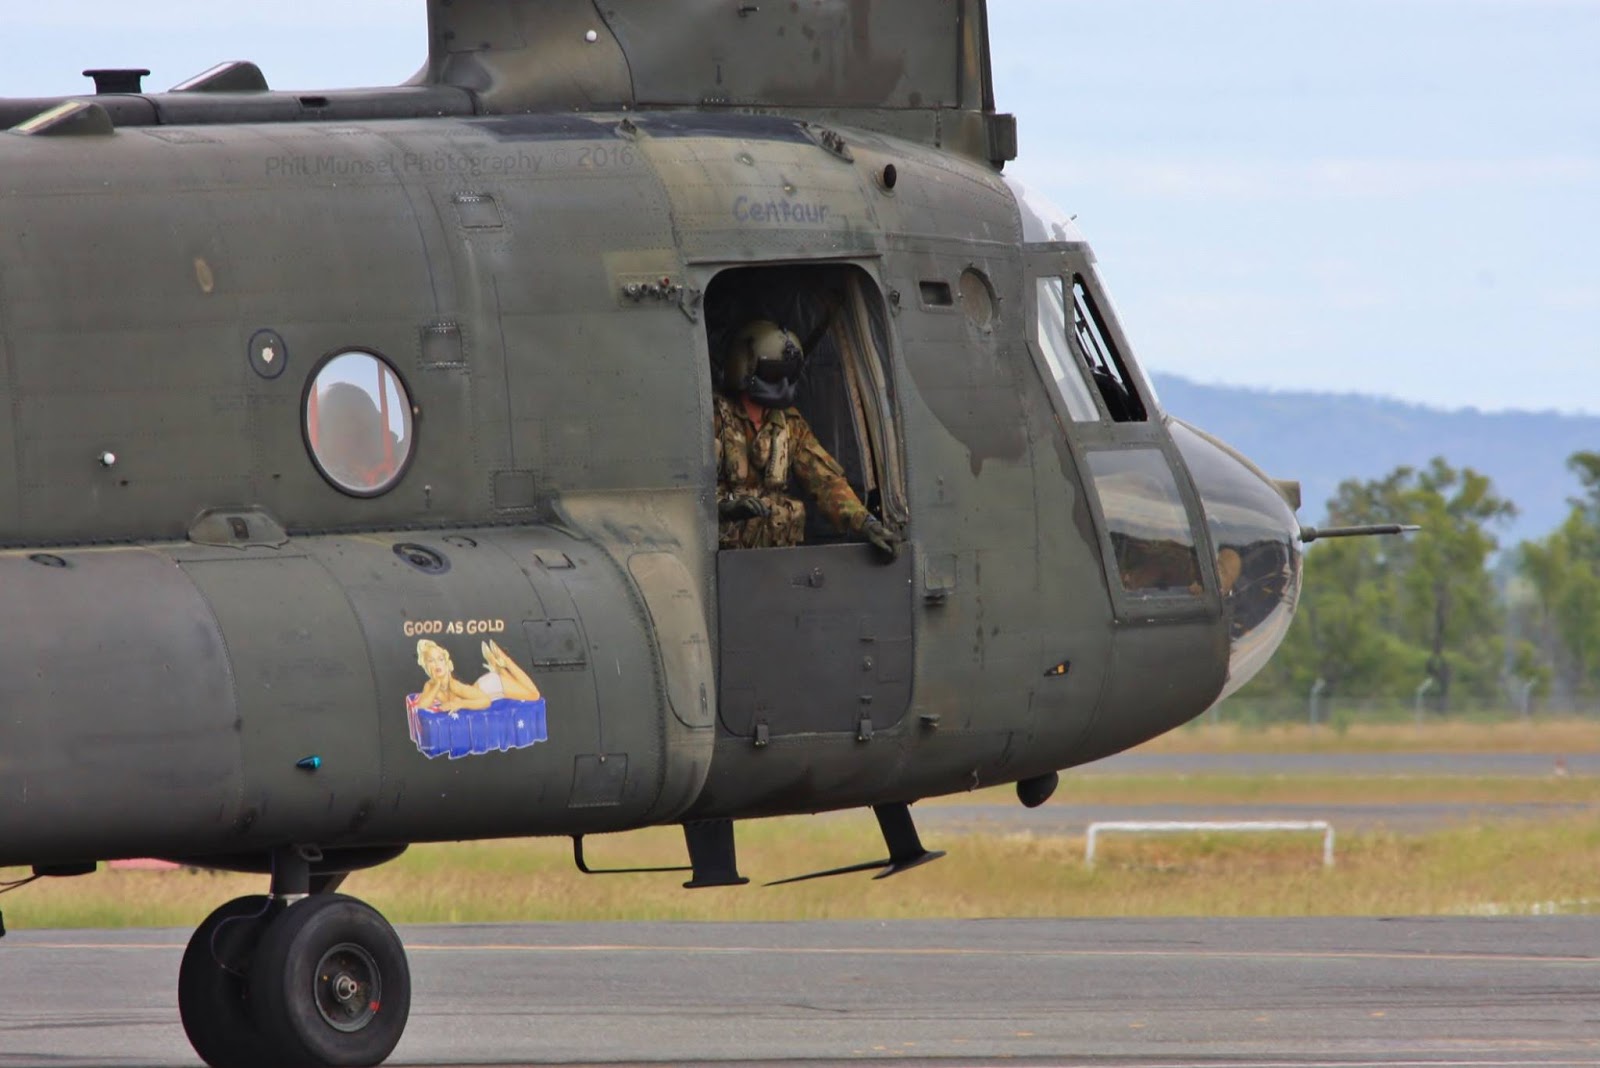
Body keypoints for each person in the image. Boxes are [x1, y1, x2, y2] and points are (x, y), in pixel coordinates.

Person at [713, 320, 902, 560]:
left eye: (788, 373)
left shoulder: (790, 424)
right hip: (724, 559)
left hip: (777, 558)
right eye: (773, 373)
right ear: (744, 367)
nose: (781, 383)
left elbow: (825, 480)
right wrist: (724, 508)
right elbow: (688, 493)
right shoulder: (715, 419)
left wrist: (865, 523)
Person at [414, 639, 492, 713]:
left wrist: (460, 704)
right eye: (431, 661)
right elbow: (421, 706)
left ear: (447, 664)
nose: (437, 664)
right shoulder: (430, 685)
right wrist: (437, 684)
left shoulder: (455, 686)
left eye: (440, 659)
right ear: (426, 666)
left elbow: (486, 701)